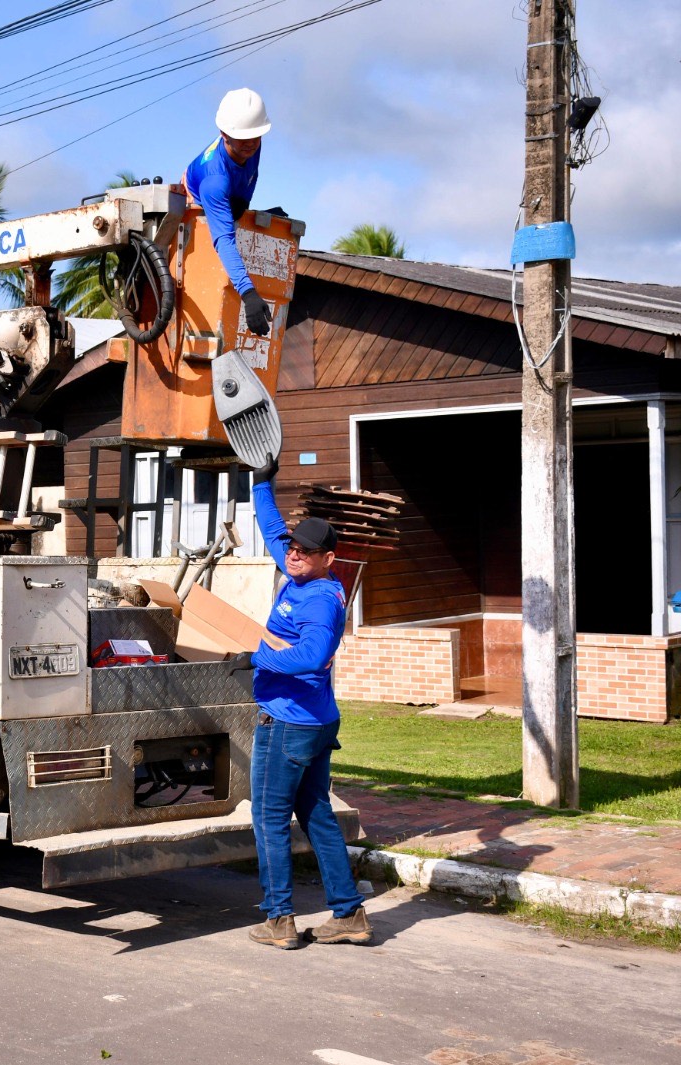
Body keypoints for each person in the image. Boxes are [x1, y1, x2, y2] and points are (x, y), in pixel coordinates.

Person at [237, 454, 371, 948]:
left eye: (306, 552)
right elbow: (273, 529)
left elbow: (313, 657)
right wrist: (262, 482)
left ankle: (279, 920)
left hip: (289, 724)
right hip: (314, 721)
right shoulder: (298, 572)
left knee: (270, 819)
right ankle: (349, 914)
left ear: (328, 559)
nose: (293, 555)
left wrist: (259, 659)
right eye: (293, 548)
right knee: (315, 813)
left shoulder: (319, 599)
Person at [184, 87, 274, 337]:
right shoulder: (215, 181)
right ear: (224, 134)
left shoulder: (251, 142)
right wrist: (248, 293)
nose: (251, 143)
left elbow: (252, 173)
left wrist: (244, 202)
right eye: (244, 138)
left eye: (256, 136)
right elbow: (223, 240)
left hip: (228, 190)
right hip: (196, 204)